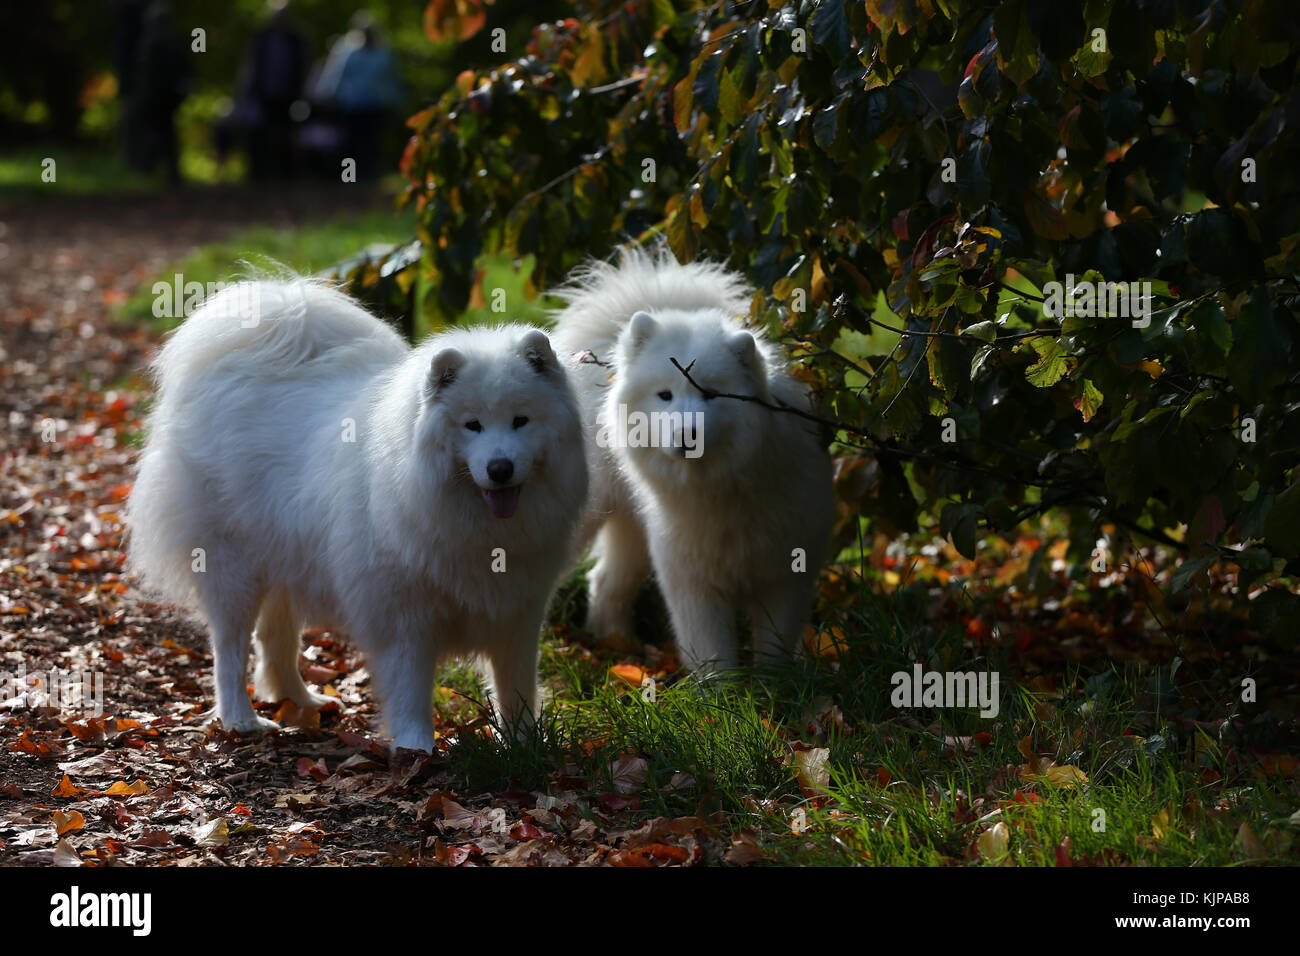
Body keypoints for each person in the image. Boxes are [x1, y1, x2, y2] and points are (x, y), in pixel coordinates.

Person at [314, 12, 404, 181]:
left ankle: (368, 176)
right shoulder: (348, 51)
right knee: (350, 143)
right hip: (352, 105)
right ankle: (349, 176)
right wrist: (327, 94)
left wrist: (397, 101)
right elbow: (336, 74)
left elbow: (391, 80)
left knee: (371, 143)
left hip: (374, 105)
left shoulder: (383, 54)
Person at [246, 0, 311, 179]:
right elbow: (251, 66)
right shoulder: (262, 37)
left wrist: (303, 92)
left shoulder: (297, 38)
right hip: (265, 94)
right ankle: (263, 173)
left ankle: (287, 174)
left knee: (287, 134)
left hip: (290, 95)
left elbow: (305, 65)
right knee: (263, 133)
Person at [133, 0, 191, 184]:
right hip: (165, 97)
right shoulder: (173, 40)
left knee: (157, 133)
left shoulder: (153, 42)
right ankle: (163, 172)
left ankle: (152, 171)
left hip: (159, 97)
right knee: (165, 134)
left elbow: (147, 72)